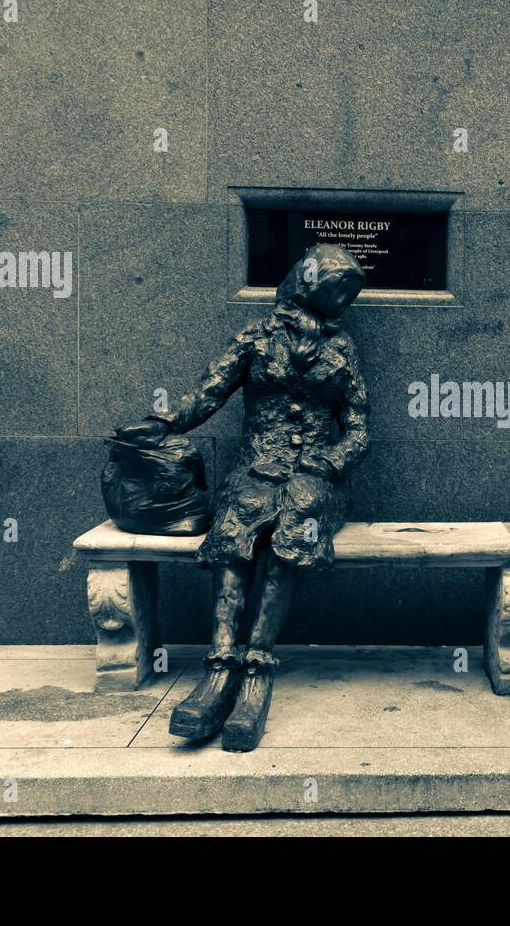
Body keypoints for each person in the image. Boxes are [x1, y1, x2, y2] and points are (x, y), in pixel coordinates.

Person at [115, 244, 369, 751]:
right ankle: (220, 666)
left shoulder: (342, 351)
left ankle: (258, 667)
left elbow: (360, 427)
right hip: (257, 466)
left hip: (315, 477)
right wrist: (162, 422)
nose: (339, 298)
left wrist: (332, 460)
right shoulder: (254, 339)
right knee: (237, 526)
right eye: (333, 286)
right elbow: (207, 393)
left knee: (293, 524)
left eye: (347, 292)